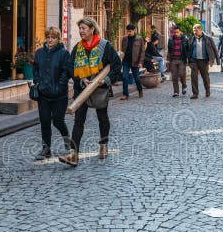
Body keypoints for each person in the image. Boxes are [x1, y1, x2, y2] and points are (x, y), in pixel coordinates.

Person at [59, 17, 121, 167]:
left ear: (92, 29)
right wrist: (81, 80)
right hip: (83, 88)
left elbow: (116, 65)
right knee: (79, 120)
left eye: (83, 29)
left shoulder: (104, 46)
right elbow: (70, 67)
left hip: (99, 88)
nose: (81, 31)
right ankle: (74, 154)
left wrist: (105, 81)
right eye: (80, 28)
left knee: (102, 118)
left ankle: (103, 145)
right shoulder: (78, 48)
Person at [32, 26, 72, 160]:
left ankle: (67, 141)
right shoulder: (39, 53)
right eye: (48, 37)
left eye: (53, 37)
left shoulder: (64, 53)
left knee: (58, 121)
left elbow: (66, 72)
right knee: (44, 121)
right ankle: (46, 149)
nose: (50, 40)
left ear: (58, 38)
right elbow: (36, 69)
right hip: (43, 94)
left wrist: (60, 86)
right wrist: (38, 83)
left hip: (59, 95)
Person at [188, 23, 219, 99]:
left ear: (201, 30)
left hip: (204, 61)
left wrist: (215, 61)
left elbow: (214, 49)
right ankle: (195, 93)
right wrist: (188, 60)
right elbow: (188, 50)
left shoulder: (208, 38)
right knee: (194, 77)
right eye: (194, 30)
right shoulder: (192, 38)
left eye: (196, 30)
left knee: (205, 77)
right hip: (194, 60)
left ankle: (207, 90)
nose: (195, 32)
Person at [120, 23, 145, 100]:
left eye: (130, 31)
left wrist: (140, 62)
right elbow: (122, 49)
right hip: (126, 61)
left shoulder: (139, 39)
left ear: (134, 30)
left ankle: (140, 90)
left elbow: (142, 51)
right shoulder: (124, 39)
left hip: (135, 61)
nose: (128, 33)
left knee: (137, 78)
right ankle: (125, 94)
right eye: (127, 31)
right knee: (125, 77)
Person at [167, 26, 189, 97]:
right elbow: (169, 50)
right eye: (175, 32)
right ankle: (176, 92)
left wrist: (188, 59)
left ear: (180, 32)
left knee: (182, 74)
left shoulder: (185, 39)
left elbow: (188, 50)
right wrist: (169, 59)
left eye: (177, 32)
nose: (176, 34)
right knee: (174, 77)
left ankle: (184, 86)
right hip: (173, 59)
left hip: (182, 59)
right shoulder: (170, 39)